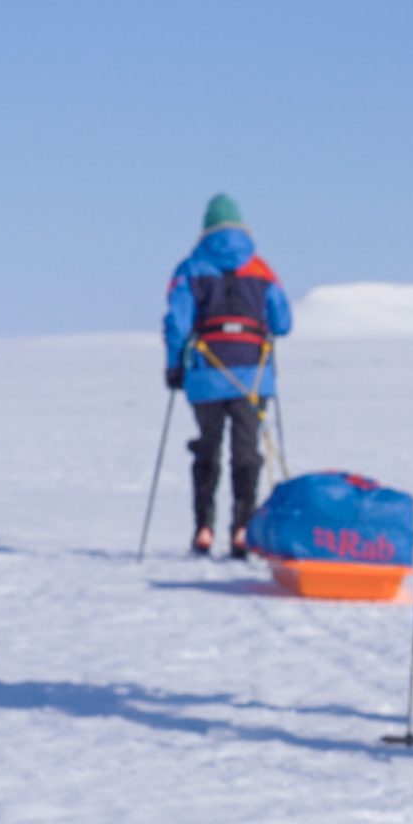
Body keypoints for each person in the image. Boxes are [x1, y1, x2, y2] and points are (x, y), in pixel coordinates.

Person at [162, 194, 293, 557]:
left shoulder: (190, 268)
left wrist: (174, 365)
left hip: (206, 374)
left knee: (208, 446)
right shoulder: (262, 270)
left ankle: (203, 528)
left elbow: (177, 321)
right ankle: (242, 529)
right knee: (246, 451)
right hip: (252, 376)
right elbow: (283, 323)